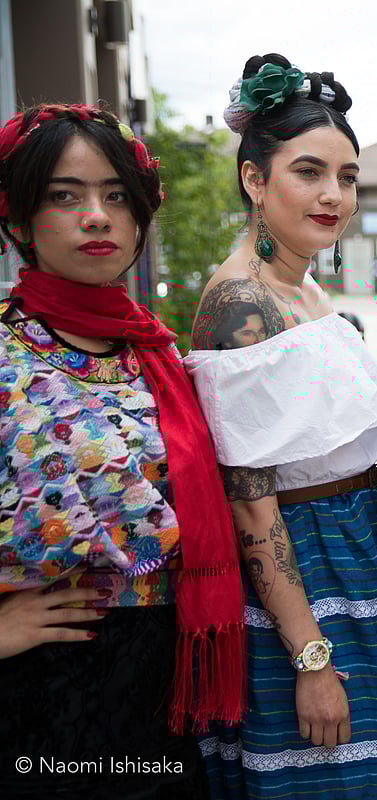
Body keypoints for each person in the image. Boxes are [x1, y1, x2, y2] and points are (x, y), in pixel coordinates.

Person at [0, 104, 243, 797]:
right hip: (40, 690)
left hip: (163, 680)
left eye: (115, 196)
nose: (98, 216)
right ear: (19, 220)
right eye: (64, 196)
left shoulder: (157, 355)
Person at [184, 54, 377, 800]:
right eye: (308, 172)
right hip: (307, 572)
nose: (332, 194)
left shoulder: (299, 285)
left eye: (346, 177)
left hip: (360, 547)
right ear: (255, 179)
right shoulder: (242, 304)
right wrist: (310, 657)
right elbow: (252, 500)